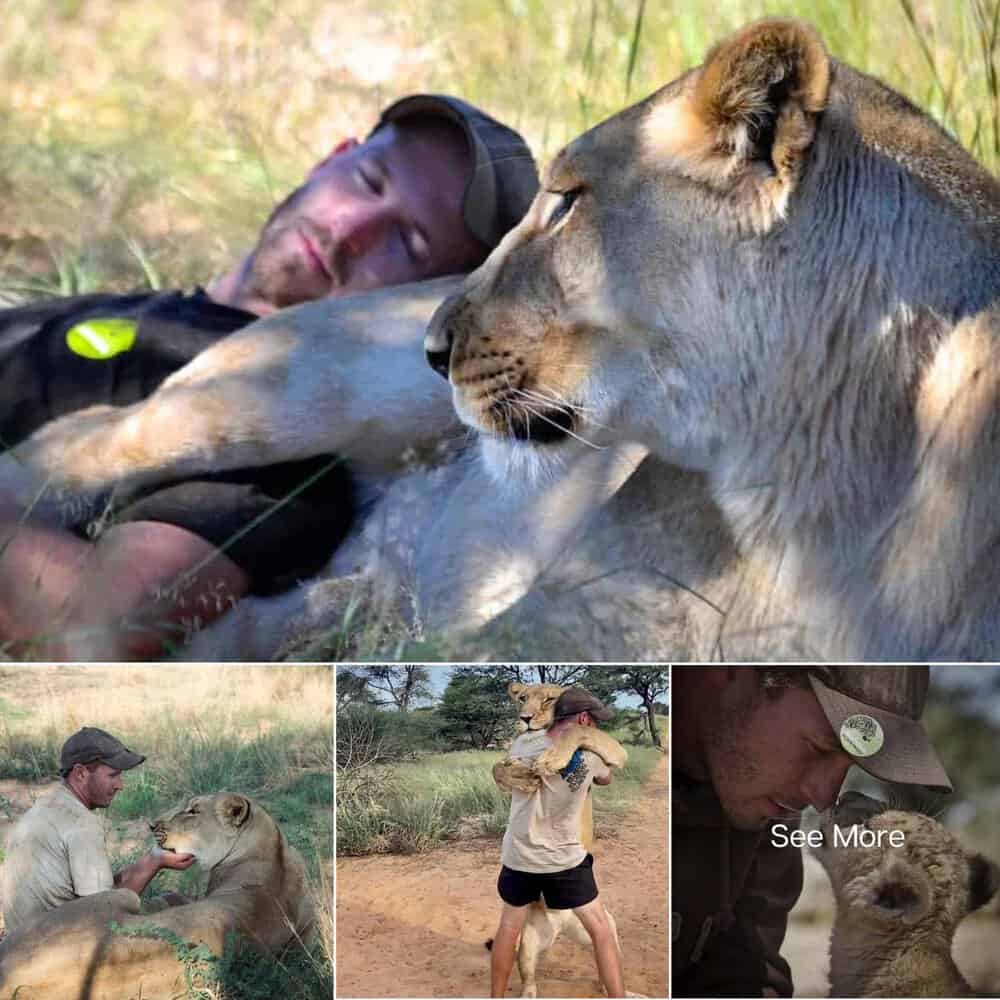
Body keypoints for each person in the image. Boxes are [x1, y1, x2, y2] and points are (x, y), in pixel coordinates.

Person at [0, 95, 539, 659]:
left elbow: (104, 624)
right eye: (368, 181)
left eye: (407, 242)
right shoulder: (135, 307)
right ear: (332, 157)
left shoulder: (275, 443)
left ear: (421, 303)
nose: (351, 228)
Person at [671, 665, 953, 998]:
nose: (821, 799)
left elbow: (744, 977)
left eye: (849, 766)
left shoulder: (767, 813)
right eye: (819, 748)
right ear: (732, 669)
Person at [490, 687, 626, 998]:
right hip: (564, 861)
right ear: (583, 719)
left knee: (508, 930)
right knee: (602, 930)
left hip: (518, 857)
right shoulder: (591, 758)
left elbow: (506, 767)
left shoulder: (521, 746)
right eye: (595, 721)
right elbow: (608, 775)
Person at [0, 727, 196, 934]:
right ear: (80, 773)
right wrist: (157, 861)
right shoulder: (81, 824)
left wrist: (155, 858)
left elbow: (100, 893)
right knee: (178, 906)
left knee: (167, 902)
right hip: (59, 947)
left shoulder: (46, 806)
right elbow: (103, 914)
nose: (120, 785)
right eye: (112, 775)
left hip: (21, 943)